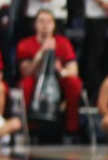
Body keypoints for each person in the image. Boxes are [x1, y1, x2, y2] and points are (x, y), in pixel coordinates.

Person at [16, 10, 84, 139]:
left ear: (54, 25)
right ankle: (29, 128)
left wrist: (60, 70)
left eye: (48, 21)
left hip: (57, 80)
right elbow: (25, 73)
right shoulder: (25, 44)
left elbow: (73, 71)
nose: (45, 25)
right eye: (41, 21)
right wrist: (40, 54)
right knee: (24, 85)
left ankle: (72, 129)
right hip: (36, 79)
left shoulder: (63, 43)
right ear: (35, 25)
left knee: (74, 83)